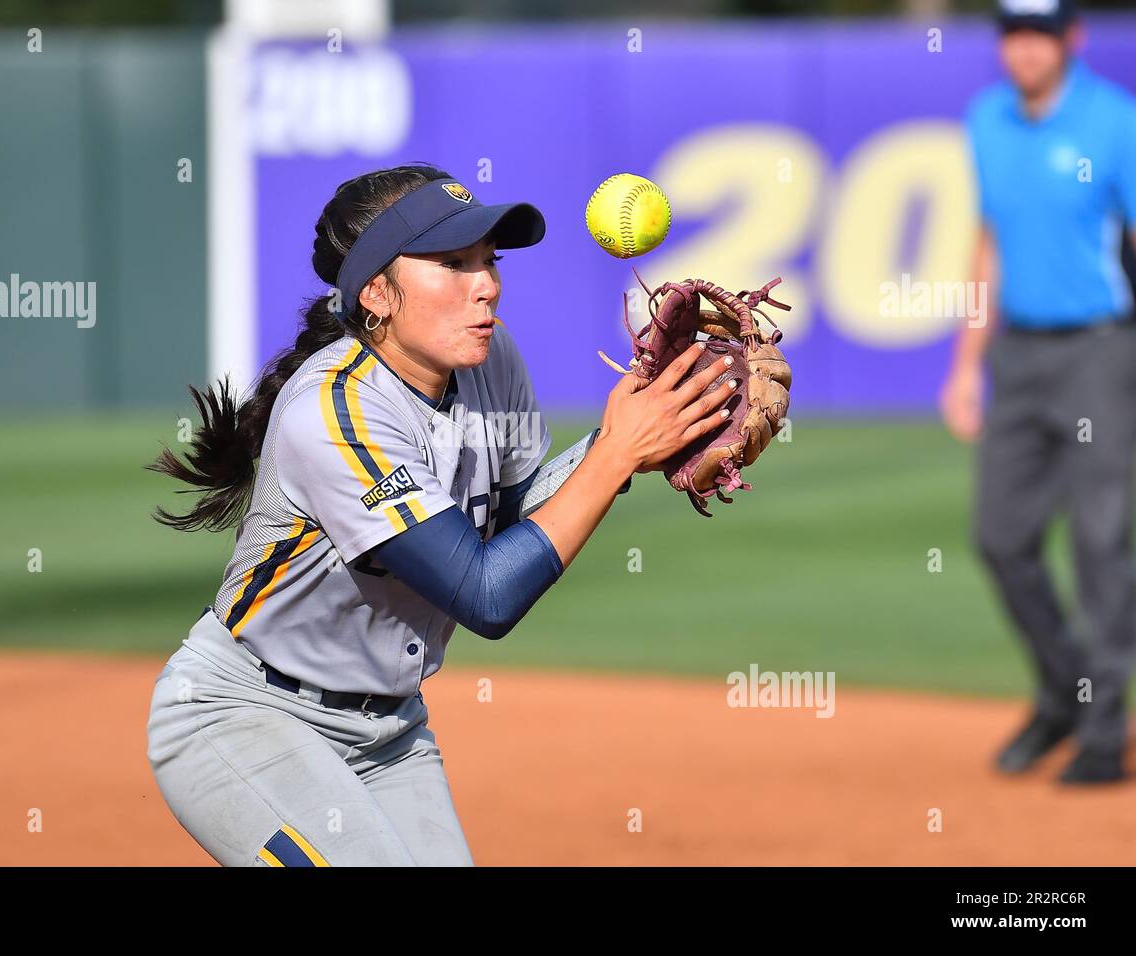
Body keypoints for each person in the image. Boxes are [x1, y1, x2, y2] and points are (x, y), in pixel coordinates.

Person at [144, 165, 738, 865]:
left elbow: (521, 520)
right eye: (454, 264)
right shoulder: (337, 411)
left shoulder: (491, 362)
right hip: (247, 718)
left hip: (391, 734)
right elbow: (484, 594)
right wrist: (614, 454)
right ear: (376, 294)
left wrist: (636, 430)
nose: (486, 284)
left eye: (489, 260)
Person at [940, 0, 1136, 784]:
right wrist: (964, 364)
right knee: (1001, 538)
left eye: (1041, 35)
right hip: (1018, 352)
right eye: (1015, 34)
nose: (1026, 49)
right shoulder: (987, 119)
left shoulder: (1114, 120)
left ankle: (1105, 724)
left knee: (1100, 543)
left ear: (1071, 41)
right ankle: (1064, 690)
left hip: (1100, 349)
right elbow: (988, 242)